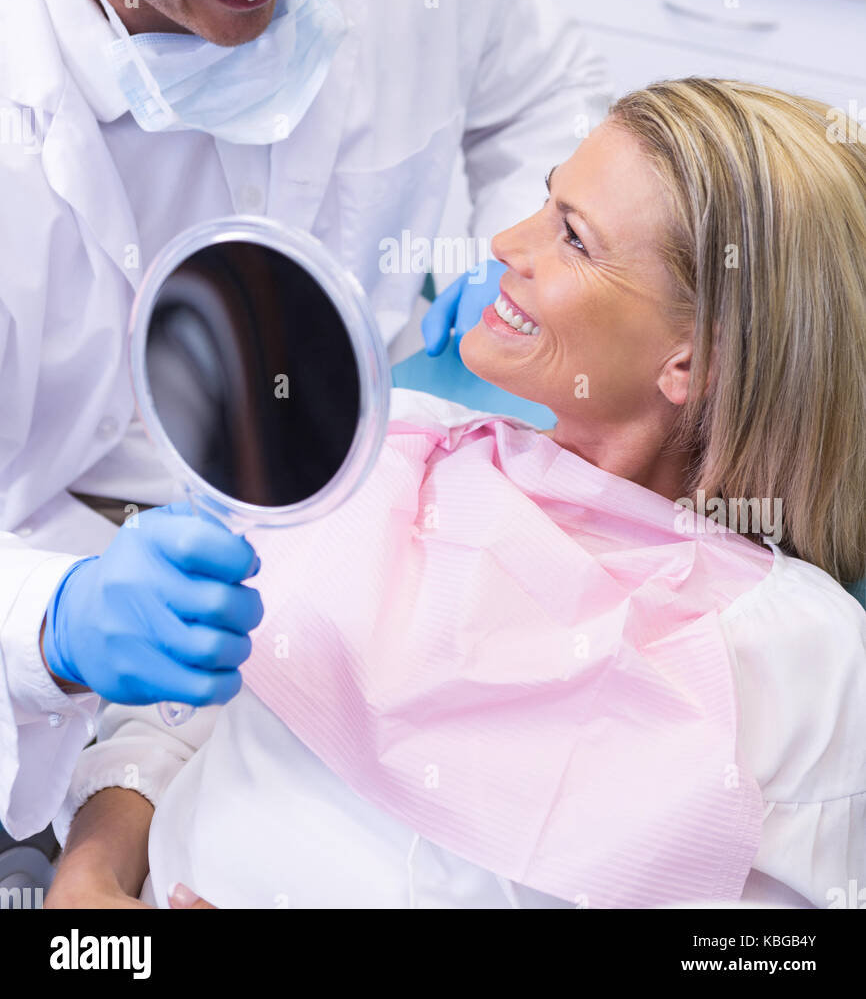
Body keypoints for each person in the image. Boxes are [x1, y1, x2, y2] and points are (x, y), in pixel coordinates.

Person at [0, 0, 611, 839]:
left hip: (375, 523)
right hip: (76, 572)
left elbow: (537, 97)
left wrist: (533, 261)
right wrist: (54, 620)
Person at [45, 80, 866, 910]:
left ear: (693, 361)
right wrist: (88, 881)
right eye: (546, 203)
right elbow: (175, 718)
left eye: (574, 240)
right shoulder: (376, 451)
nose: (507, 242)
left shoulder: (798, 658)